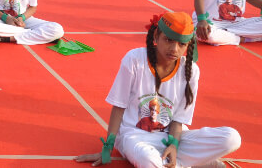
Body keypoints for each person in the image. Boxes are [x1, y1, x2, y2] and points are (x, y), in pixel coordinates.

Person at [75, 12, 241, 168]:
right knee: (149, 160)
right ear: (156, 36)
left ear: (188, 45)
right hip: (135, 138)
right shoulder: (134, 60)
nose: (174, 49)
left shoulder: (191, 70)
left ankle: (179, 159)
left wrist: (173, 146)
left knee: (231, 138)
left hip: (173, 137)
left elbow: (178, 120)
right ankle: (193, 161)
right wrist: (108, 146)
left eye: (181, 44)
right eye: (168, 40)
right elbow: (118, 106)